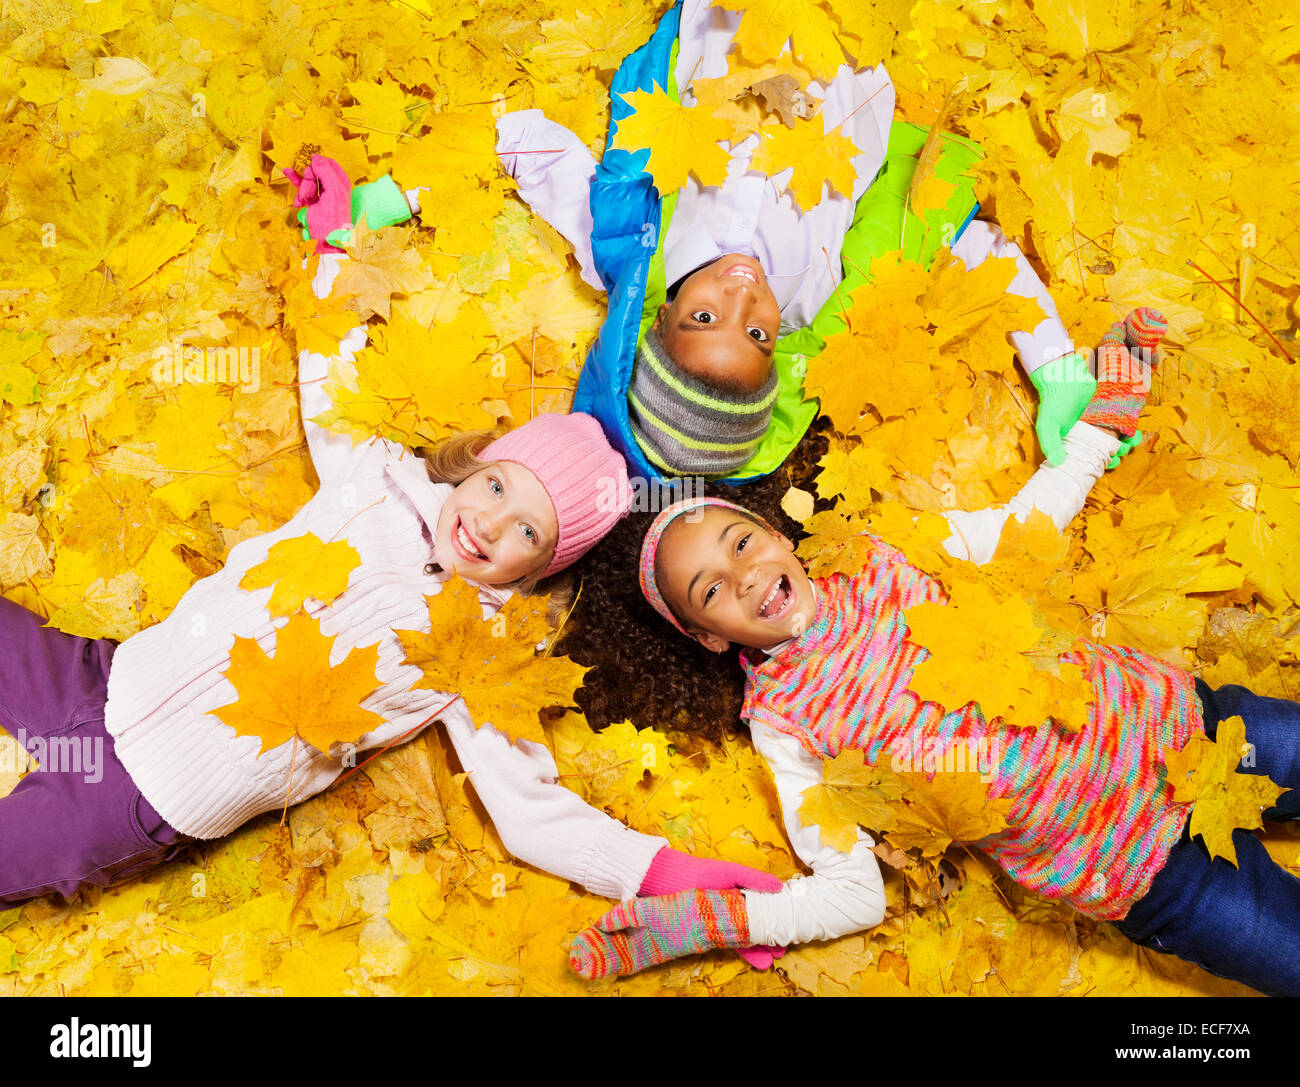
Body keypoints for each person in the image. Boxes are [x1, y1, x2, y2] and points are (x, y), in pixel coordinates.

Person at [0, 155, 784, 939]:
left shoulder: (473, 655)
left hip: (143, 797)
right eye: (502, 487)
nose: (492, 523)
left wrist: (658, 872)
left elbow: (533, 814)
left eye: (528, 534)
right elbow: (329, 374)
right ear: (482, 462)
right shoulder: (374, 476)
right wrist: (336, 246)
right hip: (109, 674)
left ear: (537, 569)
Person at [566, 312, 1300, 997]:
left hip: (1192, 729)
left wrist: (1101, 423)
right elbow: (852, 891)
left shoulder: (887, 552)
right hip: (1148, 873)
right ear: (708, 636)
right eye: (712, 590)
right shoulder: (782, 722)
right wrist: (713, 922)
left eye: (742, 543)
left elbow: (1029, 522)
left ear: (777, 533)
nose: (747, 576)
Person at [496, 0, 1112, 482]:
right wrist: (1054, 365)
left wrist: (407, 194)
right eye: (758, 335)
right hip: (843, 53)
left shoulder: (630, 253)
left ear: (658, 323)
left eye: (705, 317)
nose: (743, 299)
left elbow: (538, 156)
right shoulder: (821, 305)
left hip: (734, 29)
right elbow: (970, 251)